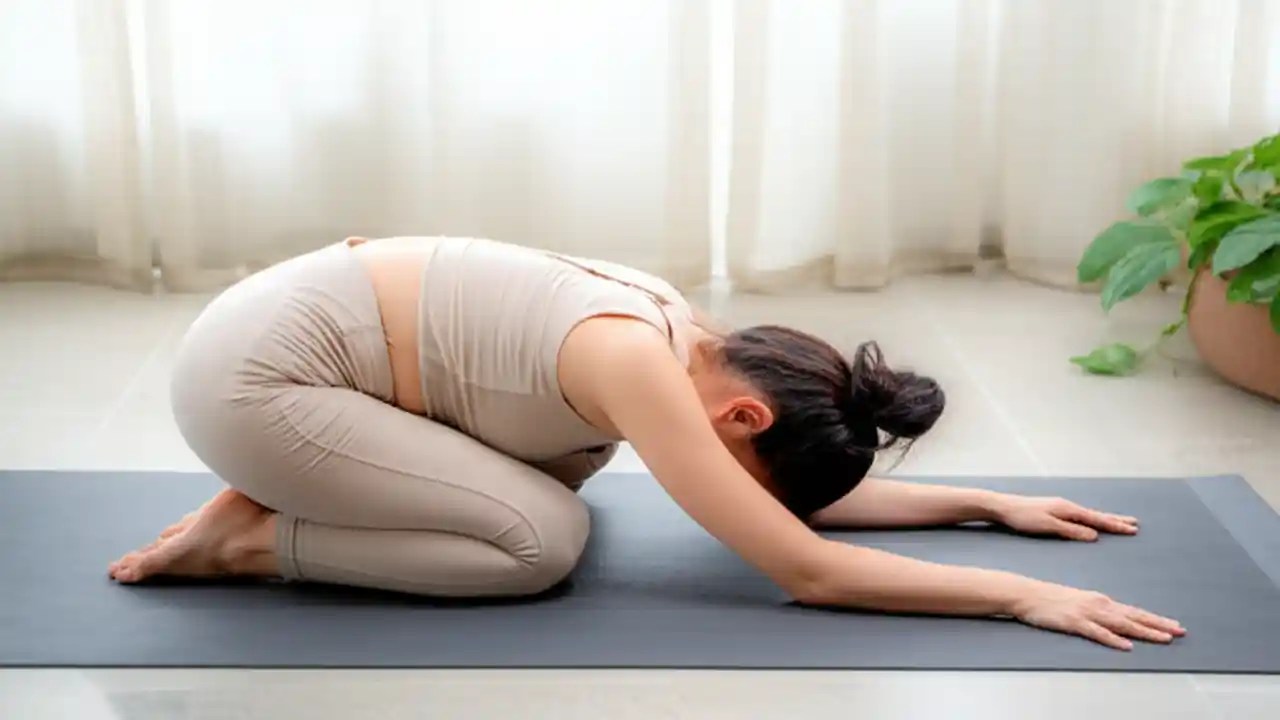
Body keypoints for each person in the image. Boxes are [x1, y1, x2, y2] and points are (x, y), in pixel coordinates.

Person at [108, 235, 1184, 651]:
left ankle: (267, 498)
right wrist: (1016, 595)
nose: (733, 492)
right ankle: (246, 541)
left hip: (305, 353)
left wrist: (982, 506)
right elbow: (800, 563)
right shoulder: (633, 362)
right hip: (257, 385)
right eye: (750, 467)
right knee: (538, 543)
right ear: (744, 421)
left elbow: (773, 512)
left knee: (555, 479)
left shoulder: (685, 339)